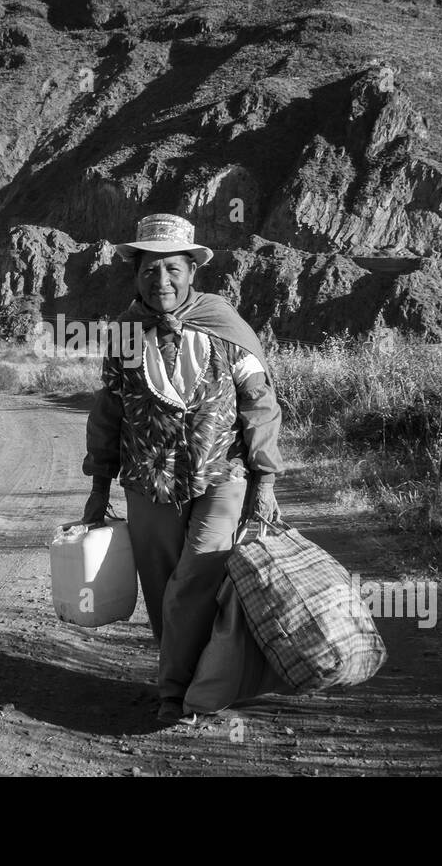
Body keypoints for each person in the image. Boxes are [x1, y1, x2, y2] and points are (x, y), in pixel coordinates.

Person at [81, 213, 285, 724]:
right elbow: (108, 412)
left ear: (193, 271)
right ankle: (193, 678)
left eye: (173, 269)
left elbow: (260, 404)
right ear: (137, 274)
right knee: (162, 588)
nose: (162, 281)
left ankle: (175, 695)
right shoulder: (126, 334)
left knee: (195, 578)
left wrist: (265, 480)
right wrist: (98, 485)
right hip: (148, 482)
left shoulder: (226, 326)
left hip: (221, 477)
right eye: (151, 270)